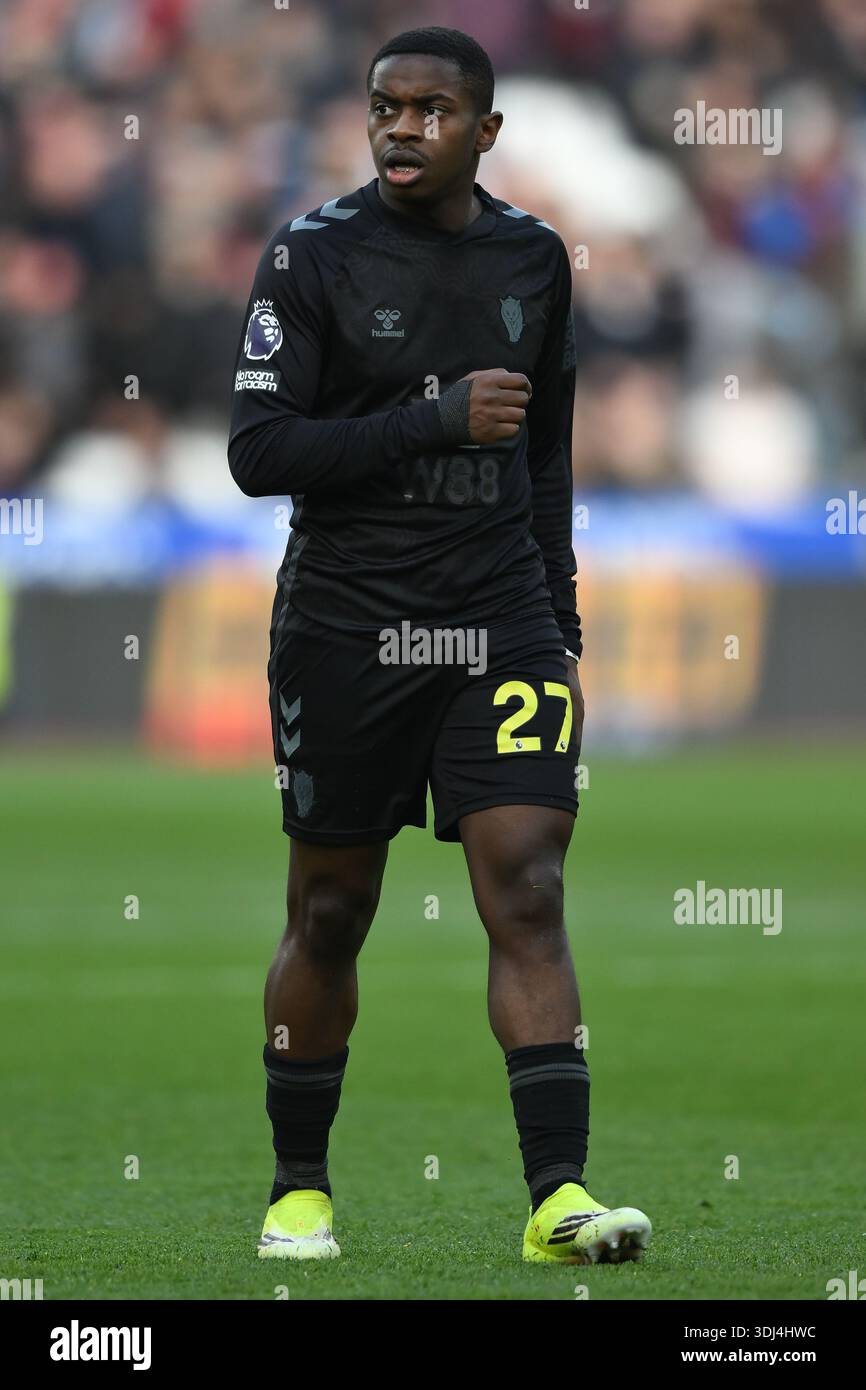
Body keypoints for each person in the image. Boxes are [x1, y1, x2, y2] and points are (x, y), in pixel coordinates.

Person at [228, 25, 651, 1267]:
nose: (401, 129)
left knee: (527, 883)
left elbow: (547, 455)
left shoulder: (532, 259)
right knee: (330, 906)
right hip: (346, 622)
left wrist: (560, 625)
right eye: (383, 109)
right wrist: (426, 419)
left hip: (500, 618)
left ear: (485, 129)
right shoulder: (310, 255)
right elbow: (258, 456)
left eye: (428, 110)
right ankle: (298, 1187)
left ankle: (557, 1197)